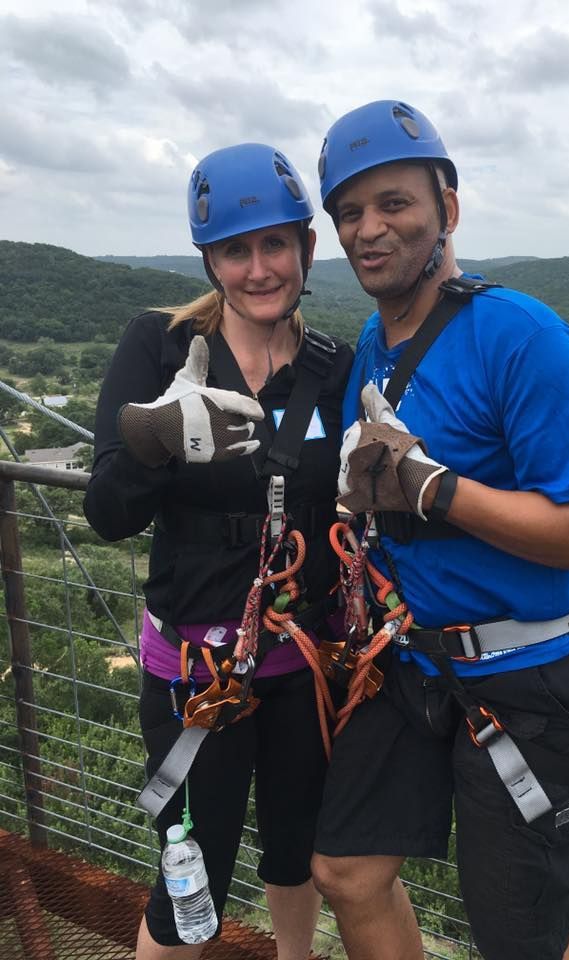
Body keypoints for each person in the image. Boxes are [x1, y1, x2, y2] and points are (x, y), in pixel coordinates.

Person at [309, 100, 569, 960]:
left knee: (519, 937)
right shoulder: (372, 349)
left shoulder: (519, 336)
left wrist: (435, 491)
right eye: (349, 213)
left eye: (394, 204)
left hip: (529, 674)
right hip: (416, 661)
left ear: (448, 207)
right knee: (345, 868)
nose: (368, 230)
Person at [83, 142, 353, 960]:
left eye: (277, 245)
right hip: (196, 677)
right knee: (188, 882)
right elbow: (107, 511)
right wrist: (157, 438)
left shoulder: (331, 369)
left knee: (296, 858)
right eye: (237, 250)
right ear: (211, 259)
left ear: (306, 250)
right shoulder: (160, 348)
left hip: (301, 669)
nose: (260, 267)